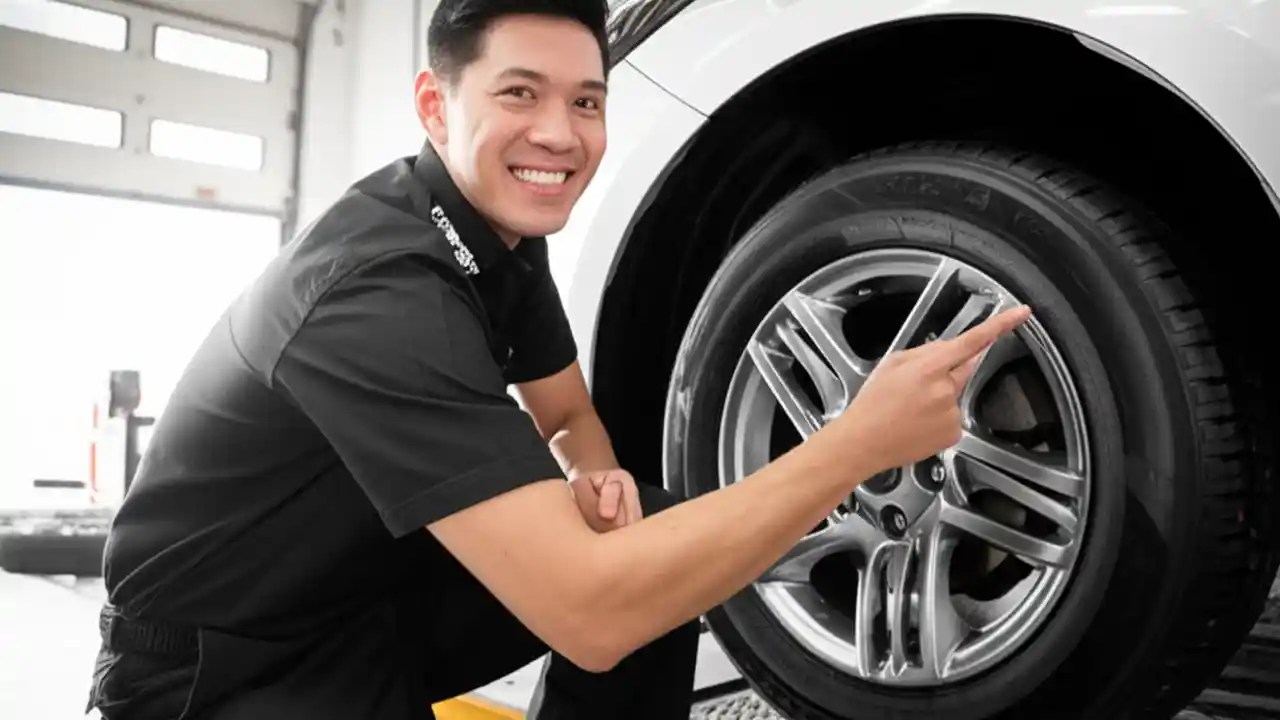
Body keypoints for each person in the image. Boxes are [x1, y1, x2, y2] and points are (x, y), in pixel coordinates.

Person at [84, 0, 1031, 718]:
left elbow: (567, 413)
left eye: (586, 101)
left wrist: (597, 473)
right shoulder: (372, 295)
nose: (560, 136)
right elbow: (591, 617)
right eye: (518, 94)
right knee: (620, 592)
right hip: (219, 671)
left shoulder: (497, 229)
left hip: (365, 602)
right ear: (435, 104)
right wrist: (859, 445)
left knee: (643, 535)